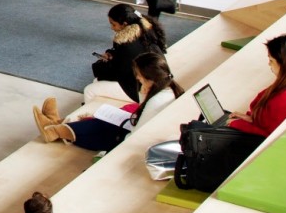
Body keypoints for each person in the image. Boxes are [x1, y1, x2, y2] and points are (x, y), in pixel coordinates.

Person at [37, 51, 181, 151]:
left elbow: (135, 136)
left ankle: (54, 130)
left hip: (134, 142)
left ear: (149, 78)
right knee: (102, 120)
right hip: (140, 131)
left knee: (99, 125)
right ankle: (56, 125)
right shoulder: (168, 89)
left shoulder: (155, 100)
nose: (137, 78)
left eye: (139, 75)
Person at [225, 34, 286, 137]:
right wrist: (251, 119)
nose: (269, 64)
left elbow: (271, 136)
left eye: (271, 60)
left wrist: (236, 124)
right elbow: (273, 122)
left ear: (285, 64)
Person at [90, 2, 167, 102]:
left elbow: (119, 72)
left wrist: (100, 66)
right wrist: (113, 54)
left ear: (124, 24)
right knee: (97, 82)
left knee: (91, 89)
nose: (112, 28)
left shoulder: (125, 43)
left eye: (113, 24)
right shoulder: (146, 30)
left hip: (143, 88)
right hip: (158, 81)